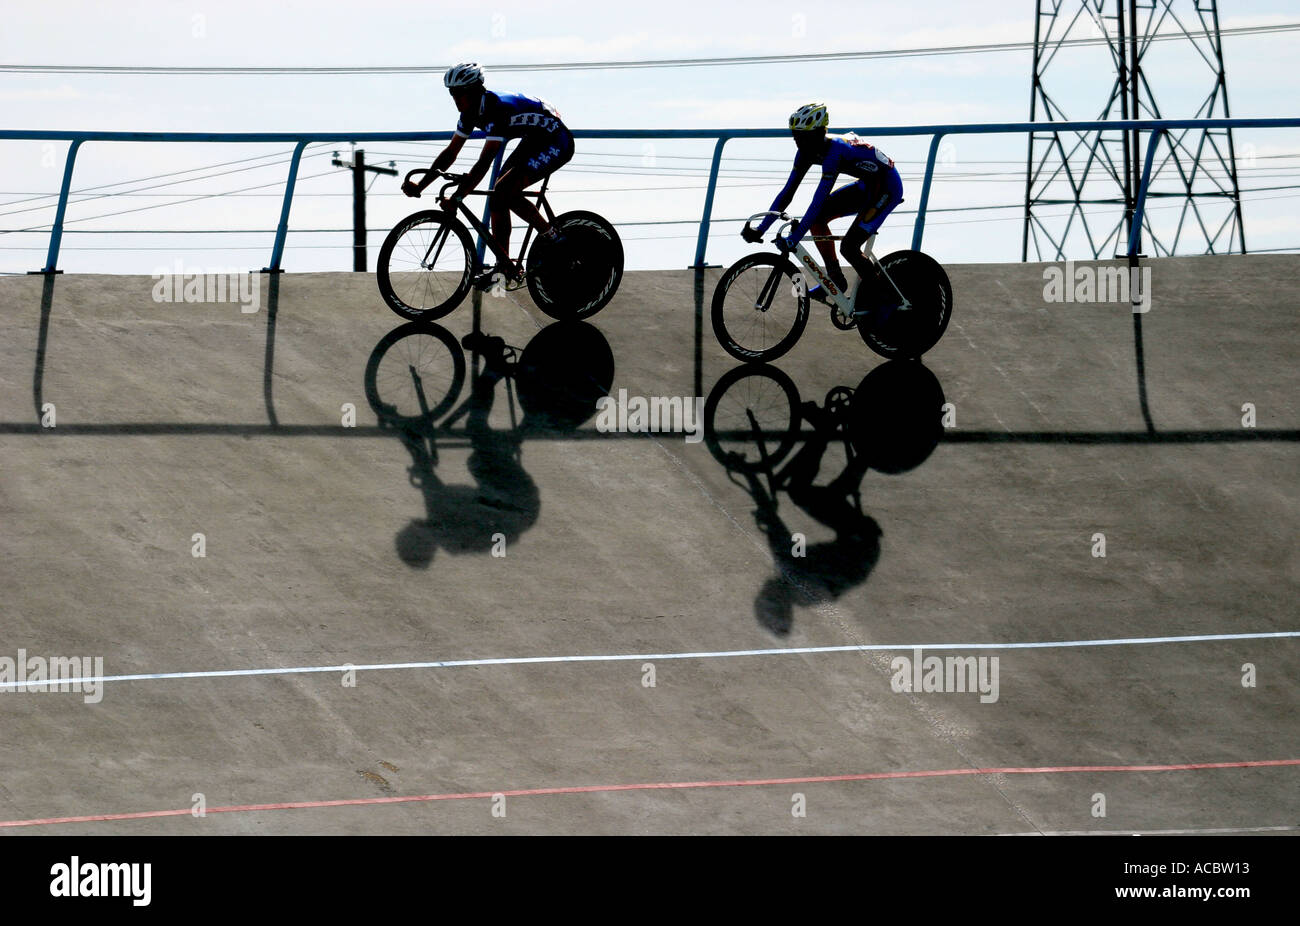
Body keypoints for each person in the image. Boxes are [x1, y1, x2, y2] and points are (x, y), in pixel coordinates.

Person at [403, 62, 573, 289]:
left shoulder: (497, 109)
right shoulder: (468, 114)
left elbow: (484, 163)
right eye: (452, 93)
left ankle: (552, 237)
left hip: (555, 140)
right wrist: (421, 186)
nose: (455, 99)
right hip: (533, 139)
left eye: (459, 93)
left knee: (504, 191)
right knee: (498, 197)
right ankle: (504, 267)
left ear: (474, 91)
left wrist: (459, 196)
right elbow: (450, 154)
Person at [744, 103, 904, 303]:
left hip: (887, 189)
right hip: (867, 185)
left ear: (819, 133)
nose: (797, 141)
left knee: (849, 248)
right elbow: (787, 193)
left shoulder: (835, 152)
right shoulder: (804, 152)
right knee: (818, 220)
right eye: (795, 135)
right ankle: (836, 279)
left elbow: (817, 201)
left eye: (802, 136)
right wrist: (761, 229)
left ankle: (886, 299)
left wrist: (795, 237)